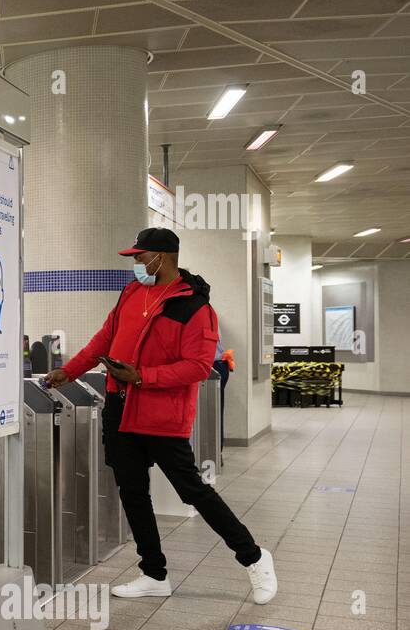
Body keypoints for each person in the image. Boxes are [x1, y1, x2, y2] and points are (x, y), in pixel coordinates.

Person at [46, 227, 277, 604]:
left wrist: (141, 377)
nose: (136, 263)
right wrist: (68, 371)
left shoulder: (195, 308)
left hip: (161, 414)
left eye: (140, 256)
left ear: (163, 257)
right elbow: (103, 340)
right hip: (120, 409)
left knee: (193, 492)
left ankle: (254, 557)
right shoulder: (132, 292)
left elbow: (199, 366)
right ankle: (154, 573)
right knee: (133, 492)